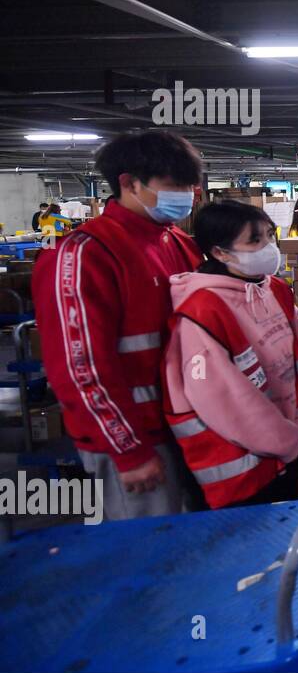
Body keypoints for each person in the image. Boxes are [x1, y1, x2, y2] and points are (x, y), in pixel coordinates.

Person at [32, 130, 204, 520]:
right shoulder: (83, 256)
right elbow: (79, 368)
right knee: (152, 557)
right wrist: (129, 450)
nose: (186, 196)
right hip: (137, 438)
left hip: (187, 428)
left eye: (189, 186)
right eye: (174, 186)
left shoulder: (174, 241)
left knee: (194, 550)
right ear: (128, 183)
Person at [162, 200, 298, 508]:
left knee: (284, 539)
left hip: (288, 449)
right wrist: (288, 440)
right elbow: (224, 398)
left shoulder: (274, 290)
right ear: (220, 252)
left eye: (269, 236)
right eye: (254, 240)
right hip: (239, 469)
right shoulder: (202, 311)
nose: (268, 247)